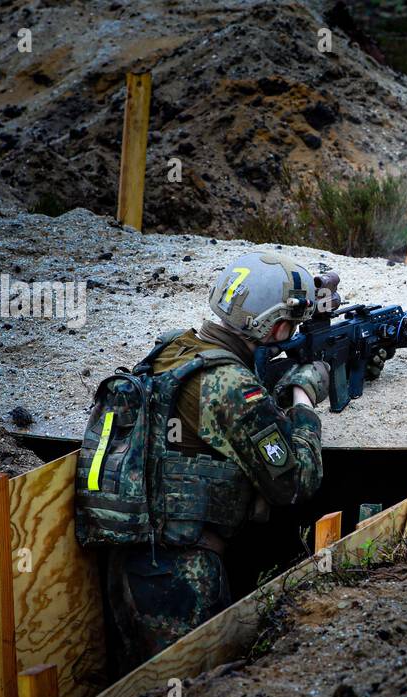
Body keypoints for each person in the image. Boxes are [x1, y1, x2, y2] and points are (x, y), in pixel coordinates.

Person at [102, 251, 331, 672]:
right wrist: (304, 401)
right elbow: (294, 483)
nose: (291, 333)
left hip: (130, 563)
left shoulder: (173, 347)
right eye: (291, 326)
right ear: (275, 323)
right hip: (183, 575)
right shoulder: (230, 386)